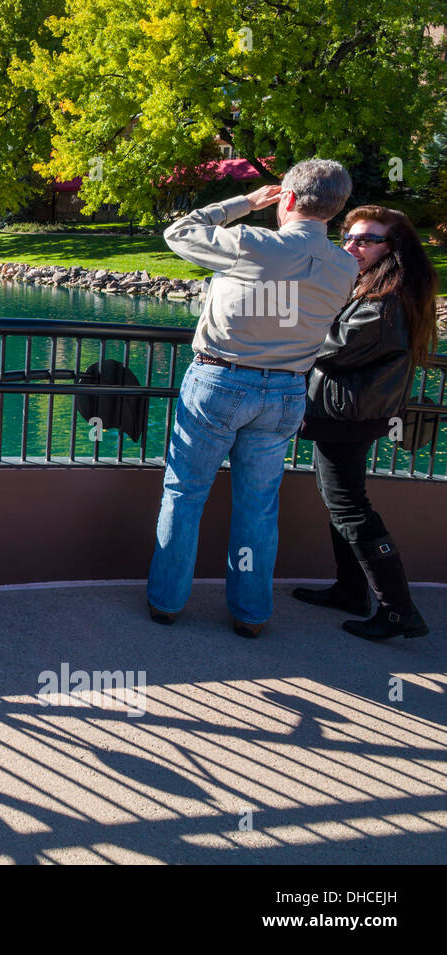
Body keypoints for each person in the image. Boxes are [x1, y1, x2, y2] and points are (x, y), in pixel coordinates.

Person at [147, 159, 360, 638]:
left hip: (220, 383)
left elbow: (180, 232)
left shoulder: (253, 244)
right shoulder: (345, 265)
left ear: (286, 199)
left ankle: (167, 602)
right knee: (258, 505)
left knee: (184, 491)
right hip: (286, 392)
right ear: (337, 207)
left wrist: (244, 202)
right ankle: (250, 612)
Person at [292, 206, 437, 639]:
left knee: (351, 508)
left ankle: (398, 609)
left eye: (366, 239)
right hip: (350, 412)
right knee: (341, 501)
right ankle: (351, 589)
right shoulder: (378, 286)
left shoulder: (388, 298)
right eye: (350, 238)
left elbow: (333, 348)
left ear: (394, 248)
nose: (352, 246)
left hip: (348, 415)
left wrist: (290, 328)